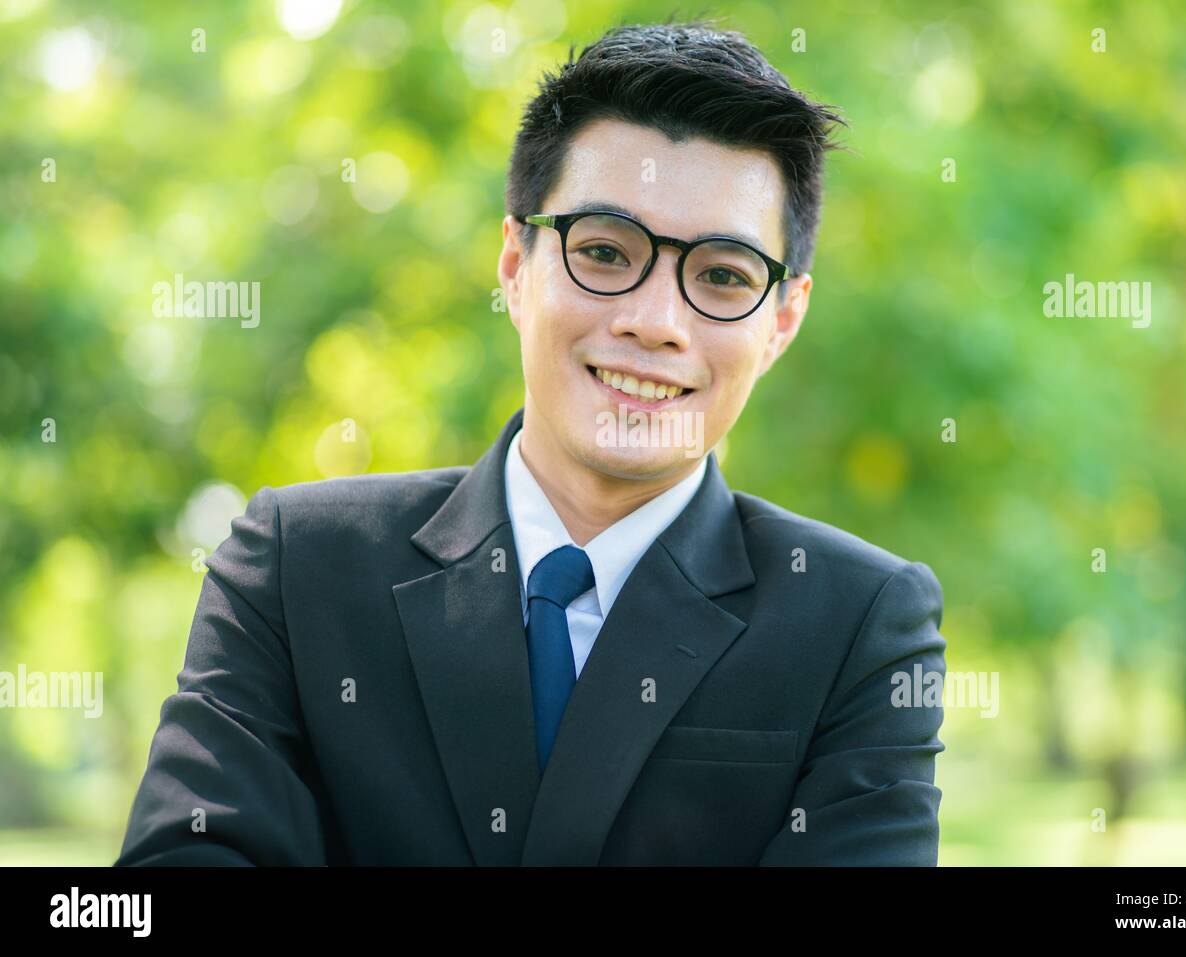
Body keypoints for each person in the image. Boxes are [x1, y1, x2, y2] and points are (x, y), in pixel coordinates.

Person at [116, 17, 947, 867]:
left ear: (783, 319)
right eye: (604, 251)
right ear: (514, 266)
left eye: (723, 276)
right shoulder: (297, 566)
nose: (654, 321)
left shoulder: (858, 624)